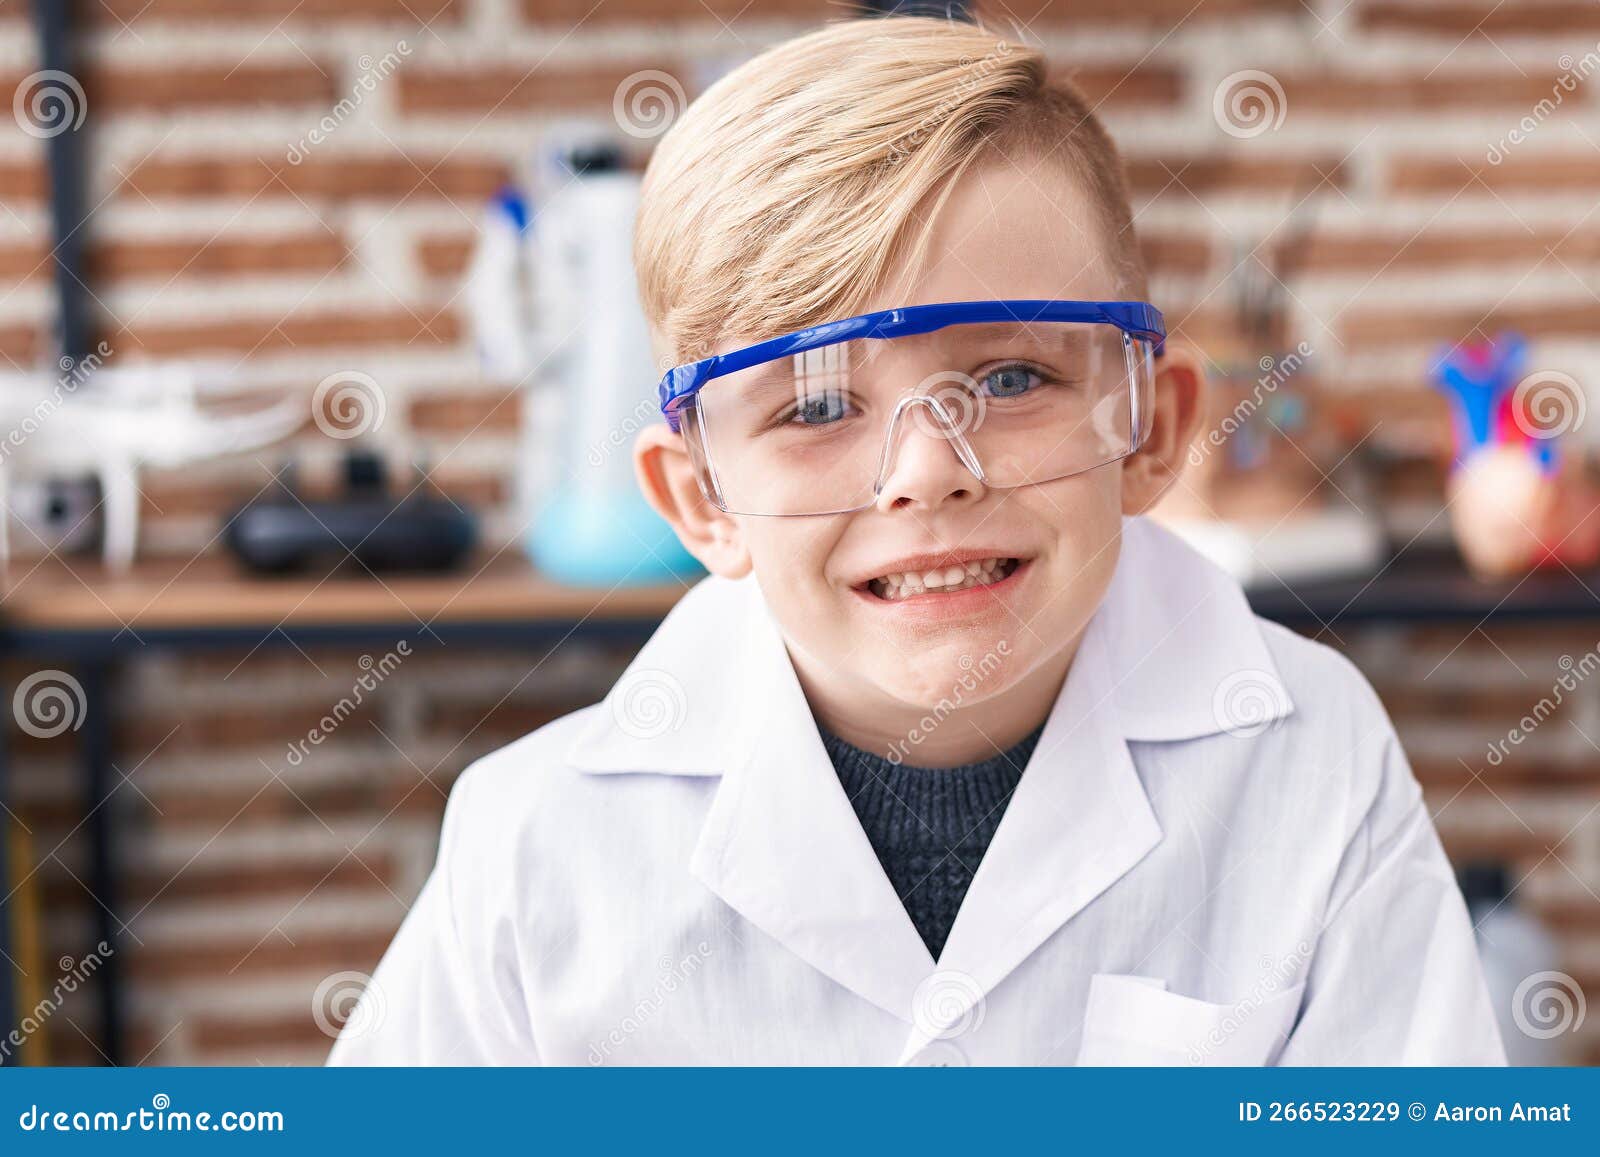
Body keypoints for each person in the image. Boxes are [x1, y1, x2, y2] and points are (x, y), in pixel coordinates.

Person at [328, 15, 1505, 1066]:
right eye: (816, 406)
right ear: (700, 504)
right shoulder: (535, 842)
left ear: (1153, 430)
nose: (930, 468)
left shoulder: (1312, 759)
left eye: (1010, 375)